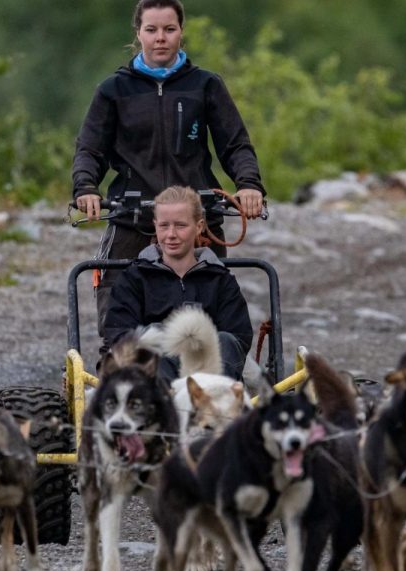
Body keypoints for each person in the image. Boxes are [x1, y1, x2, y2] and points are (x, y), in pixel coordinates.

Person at [71, 0, 266, 338]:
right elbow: (90, 149)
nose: (160, 37)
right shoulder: (113, 91)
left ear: (180, 32)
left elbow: (235, 145)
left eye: (169, 29)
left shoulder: (205, 86)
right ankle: (117, 370)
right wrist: (86, 188)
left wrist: (249, 185)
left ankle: (224, 372)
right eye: (152, 30)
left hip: (197, 217)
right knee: (116, 308)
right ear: (139, 34)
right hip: (133, 215)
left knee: (216, 307)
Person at [102, 185, 251, 382]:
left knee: (225, 340)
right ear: (155, 225)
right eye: (164, 226)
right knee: (150, 339)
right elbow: (118, 335)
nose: (171, 234)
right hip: (152, 381)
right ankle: (168, 405)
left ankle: (211, 406)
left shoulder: (219, 279)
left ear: (199, 227)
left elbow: (238, 338)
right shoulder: (134, 278)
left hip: (210, 377)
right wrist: (165, 337)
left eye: (180, 225)